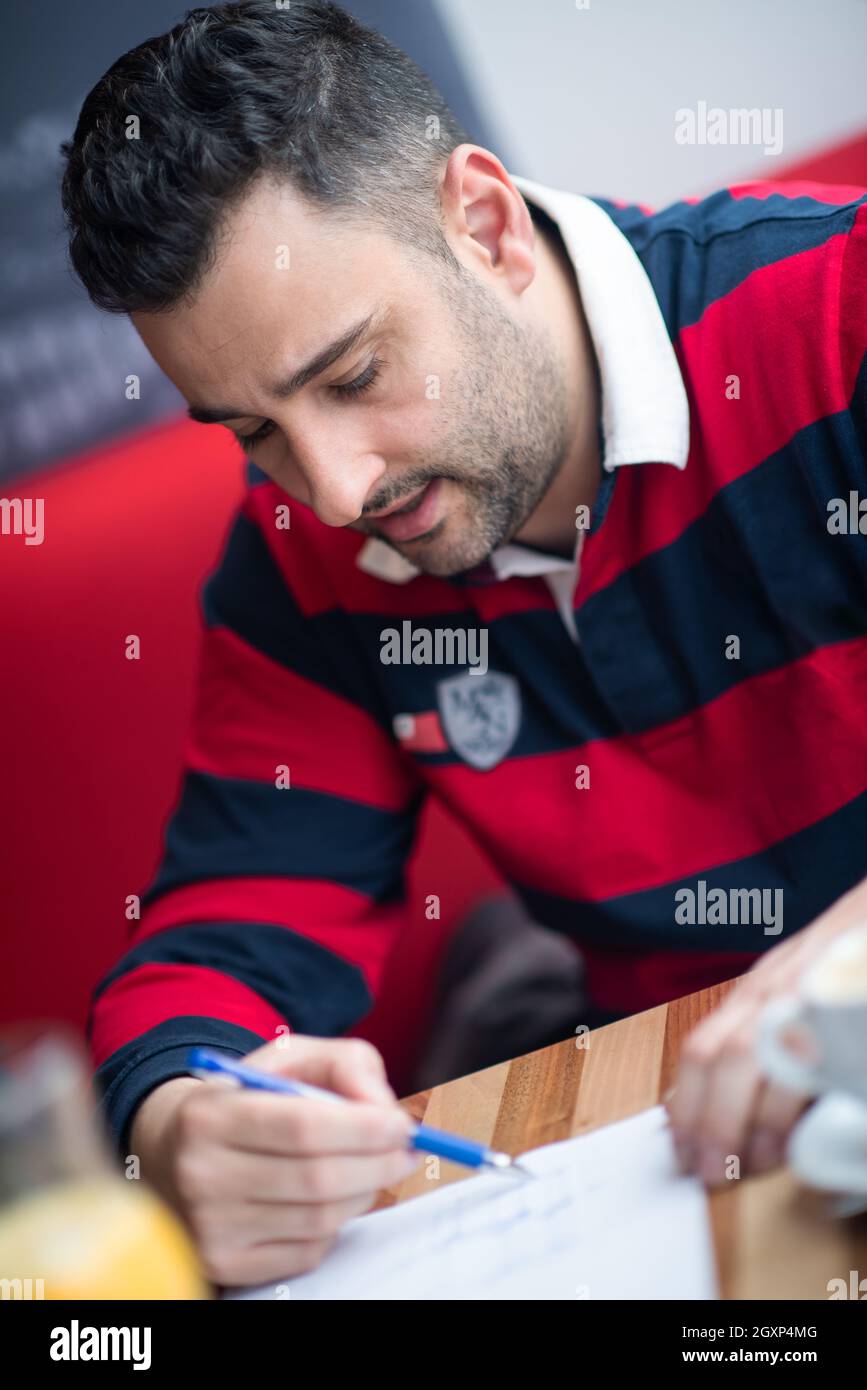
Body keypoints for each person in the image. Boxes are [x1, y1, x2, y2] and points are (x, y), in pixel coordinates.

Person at [59, 0, 867, 1288]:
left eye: (353, 376)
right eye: (252, 430)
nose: (329, 490)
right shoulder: (297, 567)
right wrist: (181, 1121)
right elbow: (227, 929)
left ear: (484, 227)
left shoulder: (839, 317)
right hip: (662, 1179)